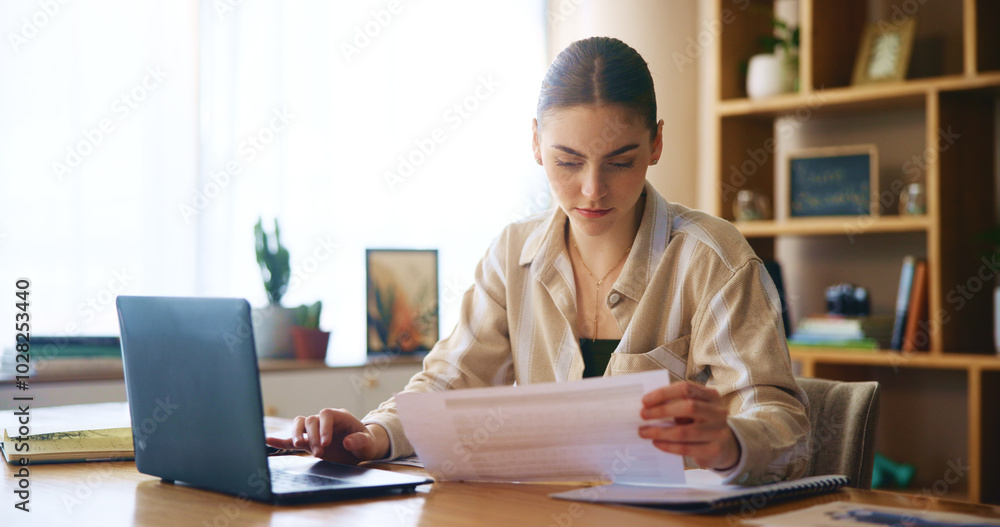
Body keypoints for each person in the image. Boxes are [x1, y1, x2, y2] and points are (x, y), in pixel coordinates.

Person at [267, 36, 809, 485]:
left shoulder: (715, 259)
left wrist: (731, 442)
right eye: (567, 161)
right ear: (534, 143)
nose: (592, 189)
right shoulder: (511, 254)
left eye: (621, 161)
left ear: (657, 144)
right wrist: (372, 435)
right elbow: (449, 382)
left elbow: (784, 425)